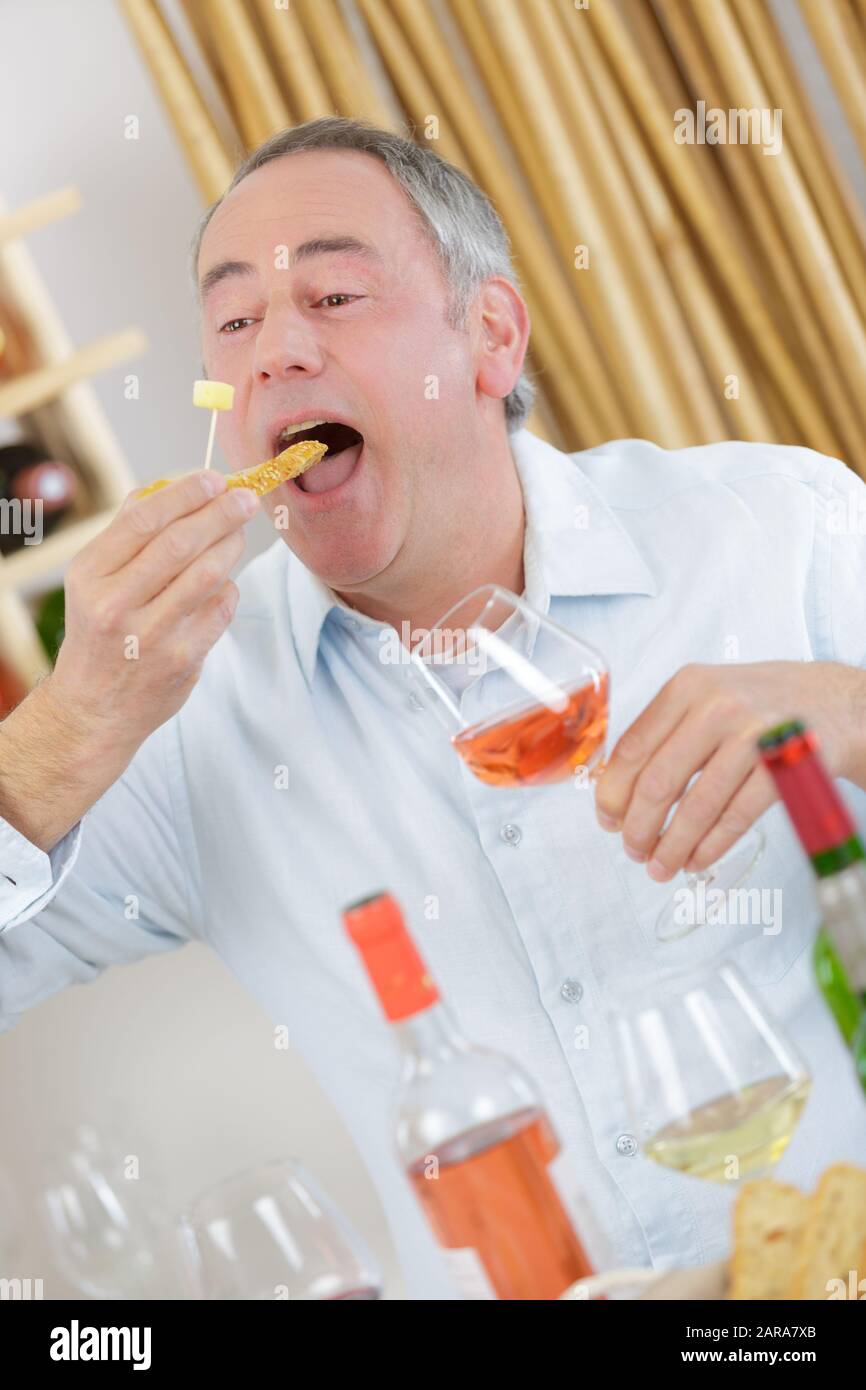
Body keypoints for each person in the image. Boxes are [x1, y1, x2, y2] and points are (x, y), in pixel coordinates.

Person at [2, 117, 865, 1299]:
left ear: (490, 337)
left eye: (336, 293)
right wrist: (68, 726)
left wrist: (848, 709)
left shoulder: (771, 527)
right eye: (235, 319)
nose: (273, 352)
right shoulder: (182, 708)